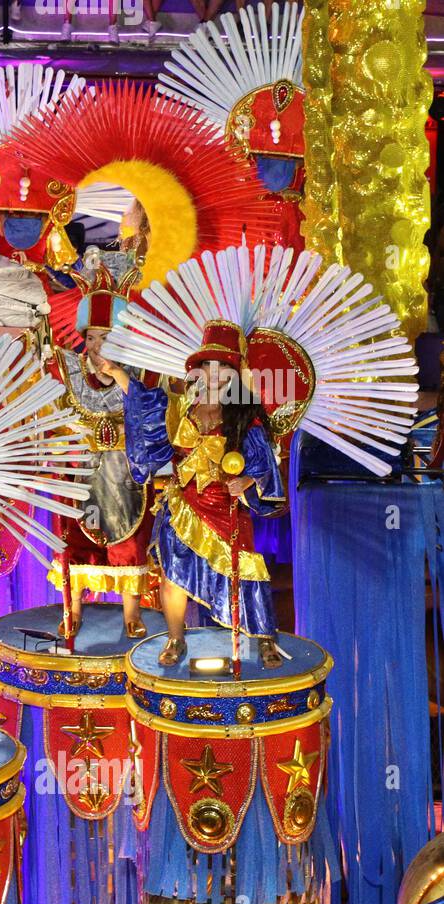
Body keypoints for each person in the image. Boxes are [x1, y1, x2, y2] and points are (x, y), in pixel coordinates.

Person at [109, 321, 285, 667]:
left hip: (226, 507)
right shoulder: (179, 409)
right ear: (197, 372)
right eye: (208, 367)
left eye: (223, 368)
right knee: (173, 576)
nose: (215, 375)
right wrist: (117, 374)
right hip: (181, 505)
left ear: (235, 374)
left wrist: (246, 482)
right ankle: (176, 640)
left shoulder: (244, 417)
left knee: (245, 573)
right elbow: (144, 404)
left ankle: (264, 638)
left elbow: (264, 461)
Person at [48, 252, 151, 638]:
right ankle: (72, 608)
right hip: (80, 466)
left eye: (105, 338)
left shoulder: (140, 371)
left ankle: (131, 611)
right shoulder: (68, 368)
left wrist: (121, 375)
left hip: (125, 468)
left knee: (130, 539)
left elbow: (149, 410)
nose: (96, 346)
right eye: (91, 337)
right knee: (74, 541)